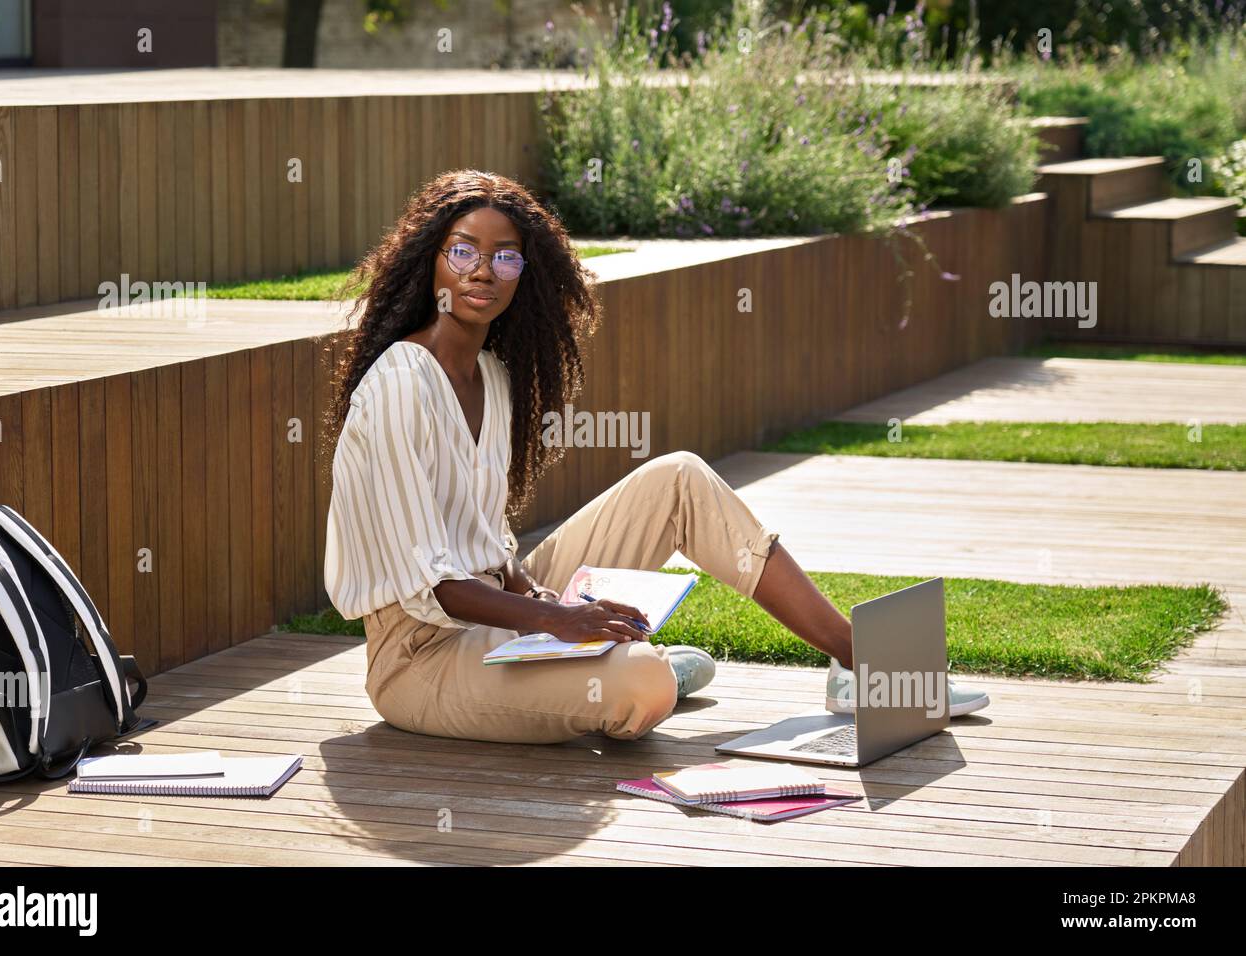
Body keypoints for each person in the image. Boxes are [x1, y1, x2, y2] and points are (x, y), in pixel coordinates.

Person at [322, 169, 988, 746]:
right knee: (640, 684)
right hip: (422, 660)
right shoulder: (400, 385)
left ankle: (862, 662)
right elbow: (430, 584)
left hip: (503, 609)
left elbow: (484, 542)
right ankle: (645, 667)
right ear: (429, 262)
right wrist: (561, 620)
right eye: (462, 250)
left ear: (525, 275)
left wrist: (541, 597)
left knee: (679, 476)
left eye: (505, 257)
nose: (480, 270)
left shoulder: (490, 378)